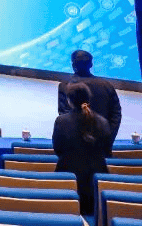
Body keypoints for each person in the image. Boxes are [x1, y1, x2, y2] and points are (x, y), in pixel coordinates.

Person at [54, 82, 113, 216]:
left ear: (69, 101)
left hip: (67, 180)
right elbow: (107, 151)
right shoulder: (103, 122)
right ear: (88, 99)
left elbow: (57, 149)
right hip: (95, 186)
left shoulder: (61, 121)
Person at [58, 49, 122, 140]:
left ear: (73, 65)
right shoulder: (107, 86)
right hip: (102, 144)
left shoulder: (64, 86)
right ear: (91, 64)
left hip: (74, 144)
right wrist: (108, 139)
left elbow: (64, 115)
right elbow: (116, 115)